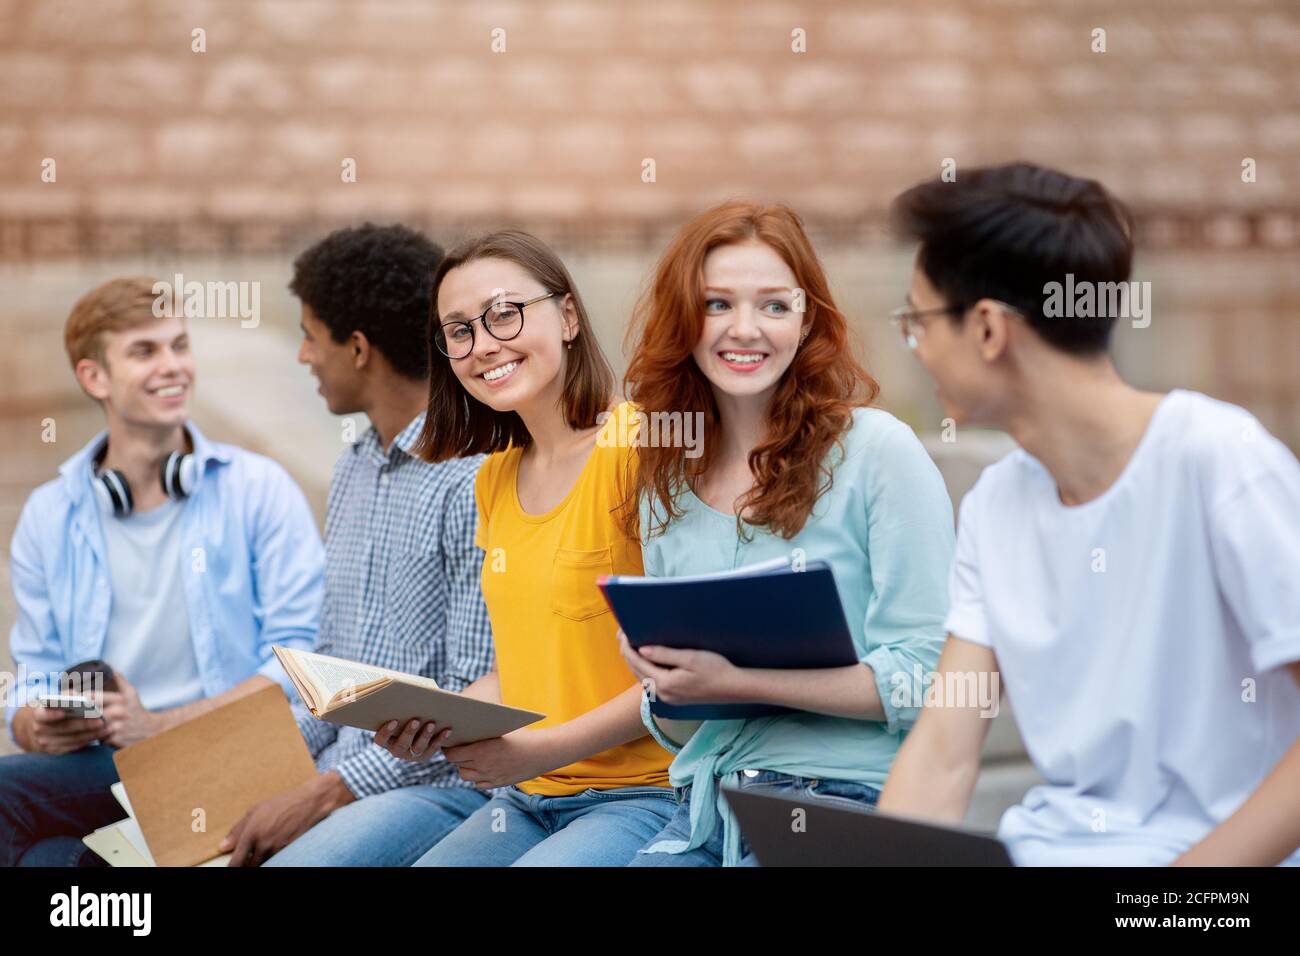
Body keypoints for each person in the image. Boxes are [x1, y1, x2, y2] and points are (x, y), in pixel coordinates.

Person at [875, 162, 1300, 866]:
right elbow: (945, 753)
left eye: (918, 323)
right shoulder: (996, 506)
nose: (916, 349)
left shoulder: (1220, 461)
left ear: (987, 330)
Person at [614, 201, 953, 866]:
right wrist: (667, 682)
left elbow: (927, 678)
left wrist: (742, 679)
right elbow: (684, 729)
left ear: (806, 319)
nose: (746, 329)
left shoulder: (878, 451)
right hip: (704, 810)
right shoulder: (663, 476)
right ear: (683, 319)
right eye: (717, 304)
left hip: (842, 800)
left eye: (774, 305)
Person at [375, 230, 676, 866]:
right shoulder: (494, 478)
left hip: (648, 794)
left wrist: (537, 752)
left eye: (505, 314)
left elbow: (687, 675)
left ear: (567, 317)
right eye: (459, 331)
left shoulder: (641, 448)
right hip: (529, 797)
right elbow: (528, 664)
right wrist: (427, 720)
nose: (484, 345)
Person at [1, 276, 323, 866]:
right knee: (49, 858)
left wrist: (157, 724)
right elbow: (34, 673)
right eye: (145, 351)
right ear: (94, 377)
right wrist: (32, 723)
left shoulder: (259, 490)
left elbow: (299, 665)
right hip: (103, 764)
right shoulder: (51, 514)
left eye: (179, 345)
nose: (173, 366)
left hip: (233, 756)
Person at [218, 224, 496, 867]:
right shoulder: (354, 469)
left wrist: (325, 793)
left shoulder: (474, 477)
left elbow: (468, 707)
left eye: (310, 337)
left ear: (359, 348)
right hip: (338, 773)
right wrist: (247, 766)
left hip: (441, 787)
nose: (303, 357)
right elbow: (333, 672)